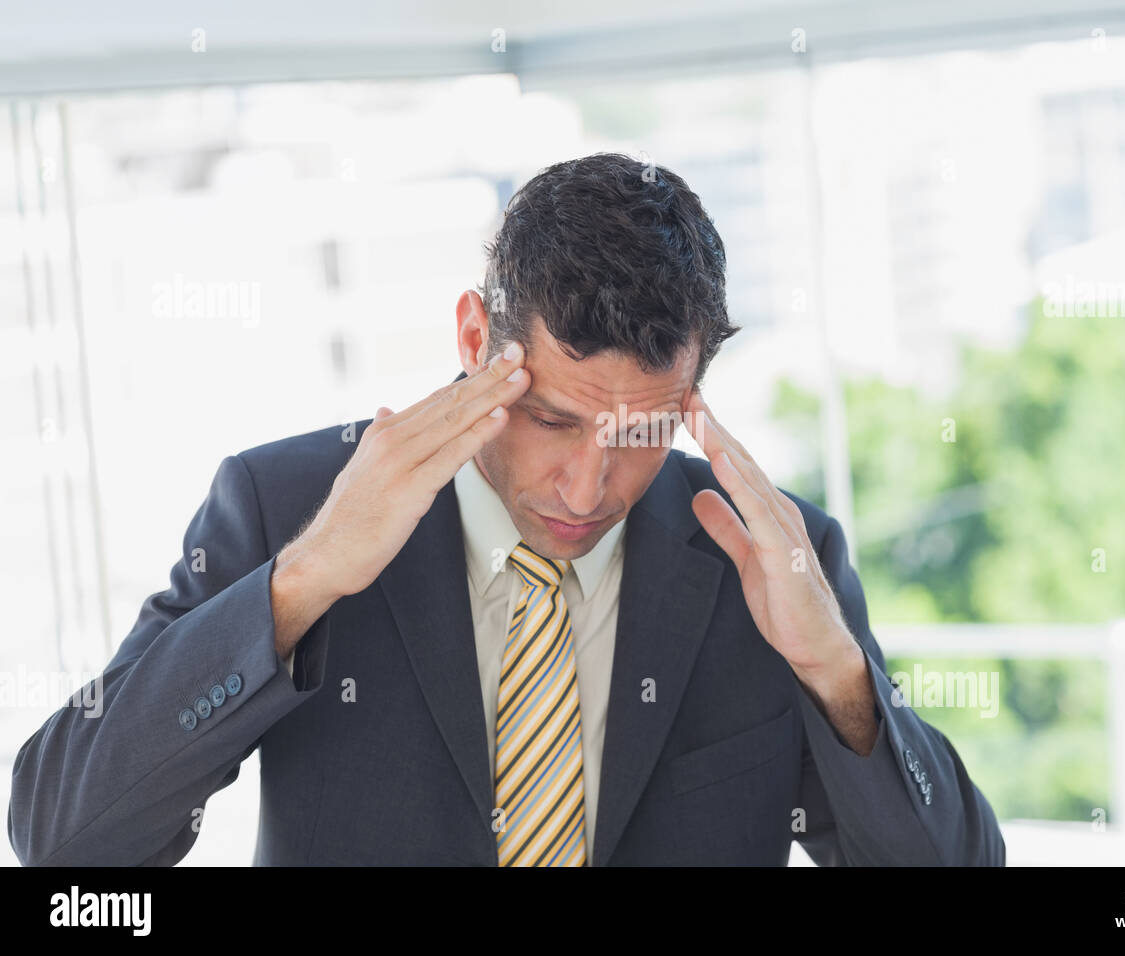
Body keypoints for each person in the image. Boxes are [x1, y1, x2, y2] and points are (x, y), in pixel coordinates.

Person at [8, 153, 1004, 866]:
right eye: (548, 417)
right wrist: (300, 583)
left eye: (642, 435)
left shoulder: (773, 559)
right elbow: (64, 838)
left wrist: (835, 676)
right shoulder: (285, 507)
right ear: (475, 335)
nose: (585, 490)